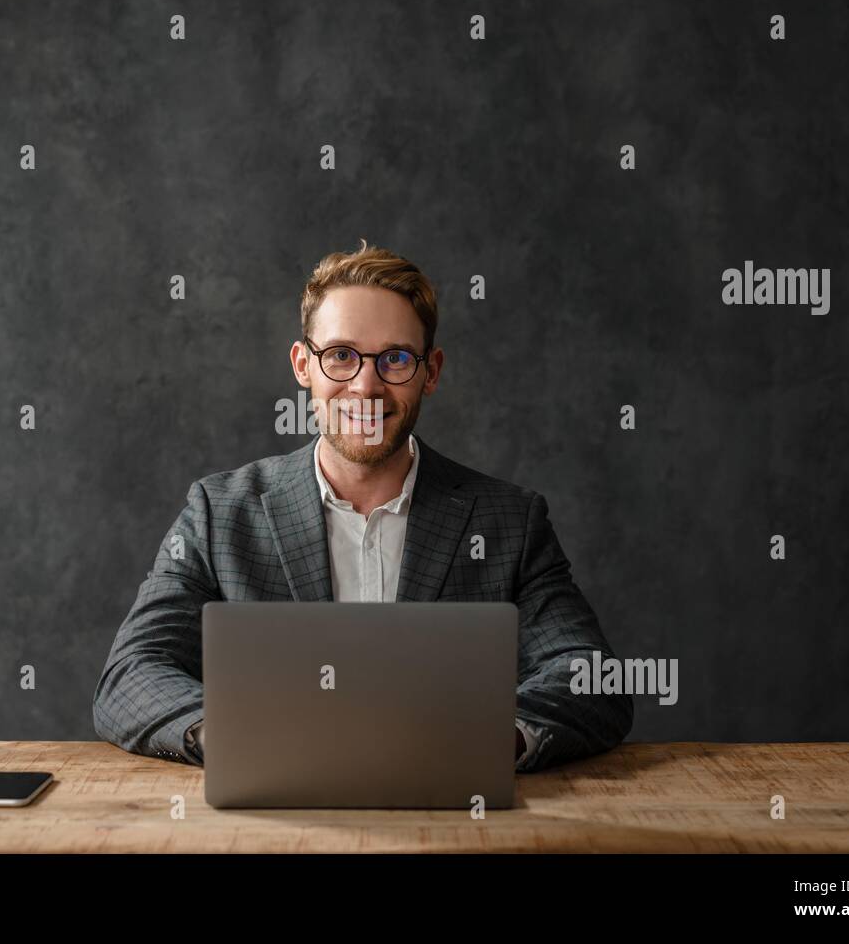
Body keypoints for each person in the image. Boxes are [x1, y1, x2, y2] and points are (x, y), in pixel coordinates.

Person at [92, 238, 633, 772]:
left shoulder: (511, 522)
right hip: (275, 824)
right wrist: (235, 734)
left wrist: (489, 737)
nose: (366, 387)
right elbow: (132, 673)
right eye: (341, 356)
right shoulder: (218, 514)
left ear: (431, 371)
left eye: (395, 358)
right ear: (303, 365)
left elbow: (590, 675)